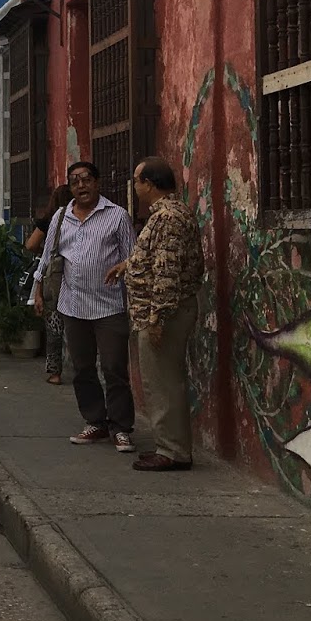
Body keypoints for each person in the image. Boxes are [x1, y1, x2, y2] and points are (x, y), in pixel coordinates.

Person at [33, 161, 137, 453]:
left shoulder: (117, 216)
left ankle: (121, 427)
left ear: (98, 182)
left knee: (114, 367)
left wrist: (128, 281)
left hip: (109, 306)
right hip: (72, 304)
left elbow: (133, 257)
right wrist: (37, 290)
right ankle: (95, 422)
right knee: (82, 368)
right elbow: (47, 255)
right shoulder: (61, 216)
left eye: (87, 179)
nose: (81, 185)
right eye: (75, 181)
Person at [109, 157, 203, 472]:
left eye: (136, 181)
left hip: (163, 313)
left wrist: (157, 318)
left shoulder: (168, 218)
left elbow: (167, 271)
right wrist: (128, 266)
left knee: (162, 382)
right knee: (162, 380)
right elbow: (155, 258)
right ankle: (171, 446)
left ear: (148, 184)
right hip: (160, 311)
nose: (134, 188)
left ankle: (172, 450)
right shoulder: (166, 216)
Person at [26, 183, 73, 384]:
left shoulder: (49, 220)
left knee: (54, 326)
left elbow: (30, 245)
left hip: (53, 278)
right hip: (75, 279)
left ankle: (55, 372)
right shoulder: (76, 219)